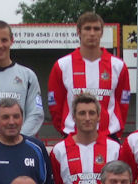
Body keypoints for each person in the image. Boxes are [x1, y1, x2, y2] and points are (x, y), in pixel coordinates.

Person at [48, 11, 130, 141]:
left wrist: (115, 131)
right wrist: (66, 132)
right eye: (87, 28)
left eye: (96, 29)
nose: (92, 33)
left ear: (101, 32)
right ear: (79, 32)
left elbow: (123, 103)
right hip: (73, 137)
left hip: (108, 137)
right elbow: (55, 106)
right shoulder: (62, 65)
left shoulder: (118, 65)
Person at [50, 93, 121, 184]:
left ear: (98, 116)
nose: (87, 118)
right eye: (82, 113)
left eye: (91, 113)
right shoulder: (60, 150)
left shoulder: (114, 148)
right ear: (74, 117)